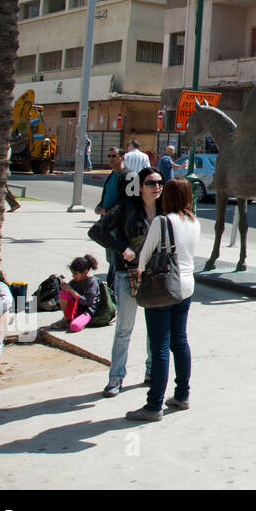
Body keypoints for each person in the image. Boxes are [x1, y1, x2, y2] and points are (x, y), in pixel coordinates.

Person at [126, 177, 200, 423]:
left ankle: (154, 404)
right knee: (179, 341)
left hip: (165, 286)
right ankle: (182, 394)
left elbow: (144, 256)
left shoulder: (162, 221)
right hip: (187, 286)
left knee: (159, 345)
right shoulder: (194, 221)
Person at [103, 166, 162, 397]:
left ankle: (150, 371)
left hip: (154, 275)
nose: (156, 187)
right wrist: (122, 249)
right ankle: (116, 378)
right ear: (139, 187)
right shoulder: (126, 208)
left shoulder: (164, 211)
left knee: (154, 329)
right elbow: (98, 231)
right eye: (150, 183)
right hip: (127, 274)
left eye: (159, 183)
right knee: (124, 329)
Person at [97, 148, 132, 284]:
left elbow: (129, 201)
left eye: (114, 156)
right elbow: (107, 194)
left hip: (118, 224)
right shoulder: (113, 174)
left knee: (115, 259)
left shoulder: (129, 176)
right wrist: (100, 205)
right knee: (110, 259)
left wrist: (108, 210)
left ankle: (112, 290)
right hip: (107, 222)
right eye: (109, 155)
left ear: (122, 157)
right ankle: (111, 289)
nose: (111, 158)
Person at [54, 255, 100, 333]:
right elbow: (66, 294)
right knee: (63, 293)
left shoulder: (92, 282)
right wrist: (64, 287)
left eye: (75, 274)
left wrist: (72, 291)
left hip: (87, 312)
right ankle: (67, 318)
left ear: (85, 272)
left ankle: (80, 321)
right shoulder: (75, 281)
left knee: (74, 327)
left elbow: (87, 302)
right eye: (72, 273)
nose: (73, 276)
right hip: (76, 309)